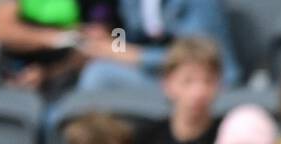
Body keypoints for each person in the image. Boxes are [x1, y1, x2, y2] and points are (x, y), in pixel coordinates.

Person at [73, 0, 241, 93]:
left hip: (206, 81)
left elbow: (200, 56)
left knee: (98, 75)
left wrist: (133, 55)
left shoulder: (199, 3)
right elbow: (129, 35)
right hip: (159, 74)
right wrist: (107, 40)